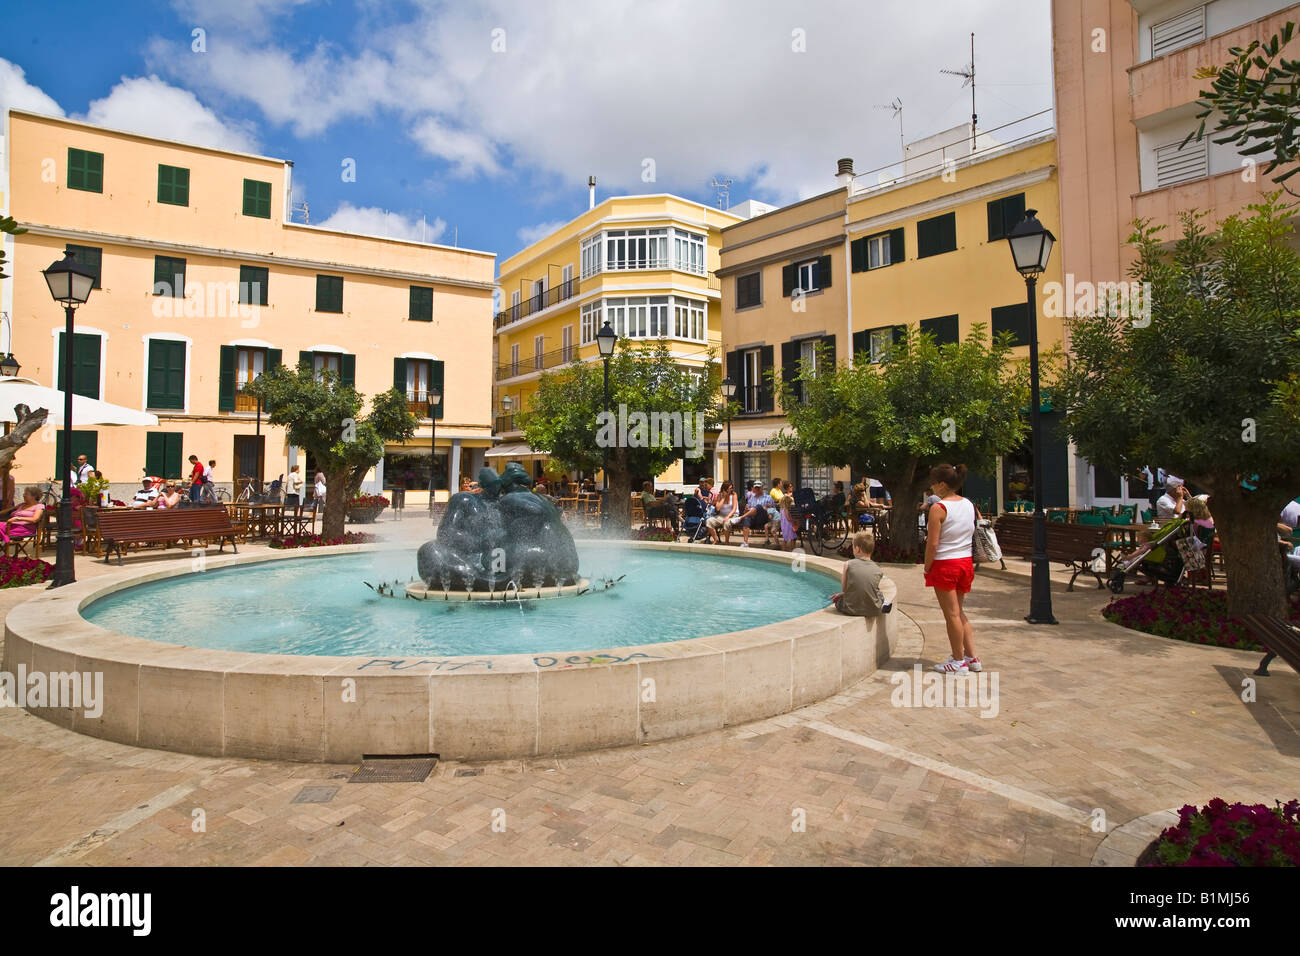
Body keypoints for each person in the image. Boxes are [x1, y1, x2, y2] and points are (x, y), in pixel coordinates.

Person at [923, 463, 981, 676]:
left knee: (951, 615)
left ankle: (958, 661)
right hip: (965, 562)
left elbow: (933, 544)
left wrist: (927, 567)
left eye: (933, 483)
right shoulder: (969, 504)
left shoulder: (939, 508)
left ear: (941, 484)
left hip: (946, 564)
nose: (932, 487)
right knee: (959, 612)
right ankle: (971, 657)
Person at [831, 531, 887, 617]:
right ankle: (883, 605)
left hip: (850, 609)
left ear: (857, 549)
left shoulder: (848, 564)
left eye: (853, 547)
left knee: (838, 602)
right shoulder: (878, 569)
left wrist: (840, 595)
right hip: (873, 610)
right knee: (879, 594)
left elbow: (845, 589)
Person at [738, 480, 775, 547]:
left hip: (764, 518)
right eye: (756, 487)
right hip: (754, 519)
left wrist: (768, 511)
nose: (757, 489)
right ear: (753, 488)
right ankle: (745, 542)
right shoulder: (751, 499)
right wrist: (746, 510)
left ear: (762, 487)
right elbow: (748, 511)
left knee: (758, 506)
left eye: (759, 487)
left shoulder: (768, 497)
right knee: (746, 518)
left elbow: (773, 509)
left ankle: (741, 517)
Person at [705, 480, 738, 544]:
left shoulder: (734, 494)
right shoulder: (720, 495)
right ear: (725, 489)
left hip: (732, 515)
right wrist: (723, 498)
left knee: (726, 522)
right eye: (730, 488)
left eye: (732, 488)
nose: (731, 490)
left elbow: (734, 509)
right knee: (709, 521)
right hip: (721, 515)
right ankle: (716, 539)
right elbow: (717, 508)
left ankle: (726, 541)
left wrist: (728, 517)